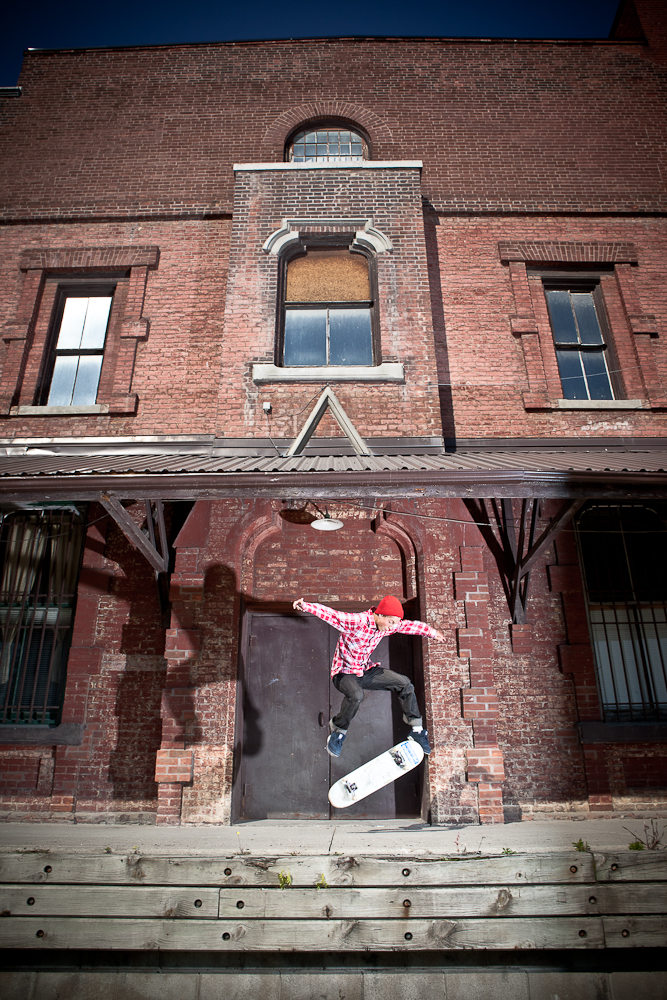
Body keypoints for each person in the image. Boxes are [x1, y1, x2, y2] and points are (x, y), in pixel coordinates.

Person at [292, 595, 445, 758]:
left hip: (364, 671)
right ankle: (338, 731)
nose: (391, 627)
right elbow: (332, 614)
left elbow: (408, 626)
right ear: (380, 615)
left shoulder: (389, 625)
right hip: (343, 673)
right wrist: (306, 606)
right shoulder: (357, 621)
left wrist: (432, 633)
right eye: (390, 622)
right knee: (357, 695)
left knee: (404, 683)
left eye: (394, 624)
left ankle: (416, 730)